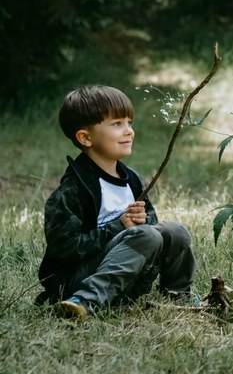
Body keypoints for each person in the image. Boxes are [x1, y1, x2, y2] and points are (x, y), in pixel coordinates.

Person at [37, 85, 198, 319]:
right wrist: (119, 227)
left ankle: (177, 293)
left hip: (129, 276)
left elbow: (149, 225)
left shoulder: (131, 179)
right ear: (85, 137)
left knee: (175, 230)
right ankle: (84, 302)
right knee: (147, 235)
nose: (129, 131)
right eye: (117, 124)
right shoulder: (73, 189)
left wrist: (144, 221)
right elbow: (62, 247)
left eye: (129, 122)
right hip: (80, 280)